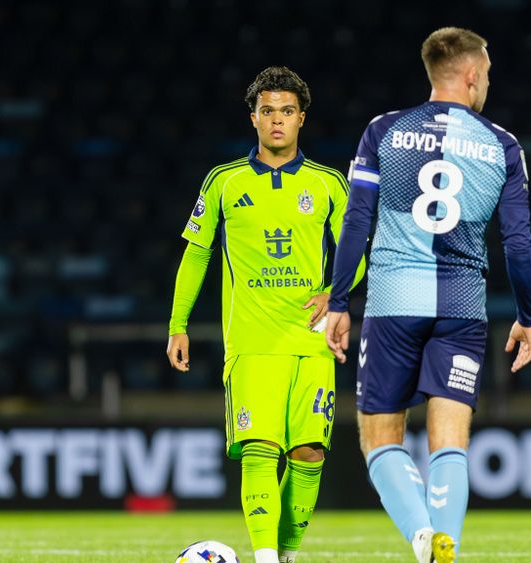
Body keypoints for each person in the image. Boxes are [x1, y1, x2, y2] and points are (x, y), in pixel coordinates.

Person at [325, 27, 531, 563]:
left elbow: (357, 222)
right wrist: (528, 315)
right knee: (450, 442)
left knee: (379, 439)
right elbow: (518, 241)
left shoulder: (384, 131)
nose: (487, 81)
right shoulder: (502, 145)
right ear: (470, 75)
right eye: (486, 73)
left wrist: (337, 302)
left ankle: (423, 539)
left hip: (394, 300)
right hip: (463, 306)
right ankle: (448, 551)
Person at [167, 66, 363, 563]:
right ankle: (266, 559)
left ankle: (288, 556)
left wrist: (334, 293)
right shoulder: (223, 182)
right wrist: (178, 325)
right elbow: (196, 254)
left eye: (288, 112)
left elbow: (357, 251)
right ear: (253, 118)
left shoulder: (328, 185)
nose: (278, 121)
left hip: (311, 340)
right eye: (268, 111)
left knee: (308, 454)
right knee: (259, 448)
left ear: (302, 119)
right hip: (251, 342)